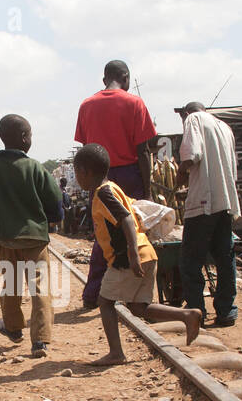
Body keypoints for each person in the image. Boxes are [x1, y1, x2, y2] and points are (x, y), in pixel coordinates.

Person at [74, 143, 200, 366]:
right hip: (146, 253)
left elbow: (126, 219)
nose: (77, 178)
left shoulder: (103, 193)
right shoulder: (112, 187)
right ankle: (187, 315)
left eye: (77, 173)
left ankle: (116, 353)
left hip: (127, 259)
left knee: (104, 302)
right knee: (138, 308)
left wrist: (131, 252)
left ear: (85, 172)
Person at [0, 114, 62, 358]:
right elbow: (56, 202)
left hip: (5, 237)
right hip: (35, 238)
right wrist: (50, 219)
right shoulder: (35, 167)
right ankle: (40, 341)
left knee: (11, 285)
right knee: (40, 287)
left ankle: (14, 329)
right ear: (25, 138)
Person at [74, 59, 158, 306]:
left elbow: (85, 151)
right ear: (126, 77)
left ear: (104, 80)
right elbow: (143, 151)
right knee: (137, 231)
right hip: (130, 175)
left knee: (104, 237)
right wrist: (148, 190)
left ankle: (93, 295)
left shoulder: (86, 106)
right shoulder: (134, 103)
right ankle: (138, 295)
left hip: (99, 179)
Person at [178, 101, 241, 327]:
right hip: (225, 201)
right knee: (225, 258)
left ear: (187, 113)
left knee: (190, 261)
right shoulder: (224, 127)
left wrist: (181, 173)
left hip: (203, 203)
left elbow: (191, 155)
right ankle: (226, 311)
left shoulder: (193, 120)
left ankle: (196, 312)